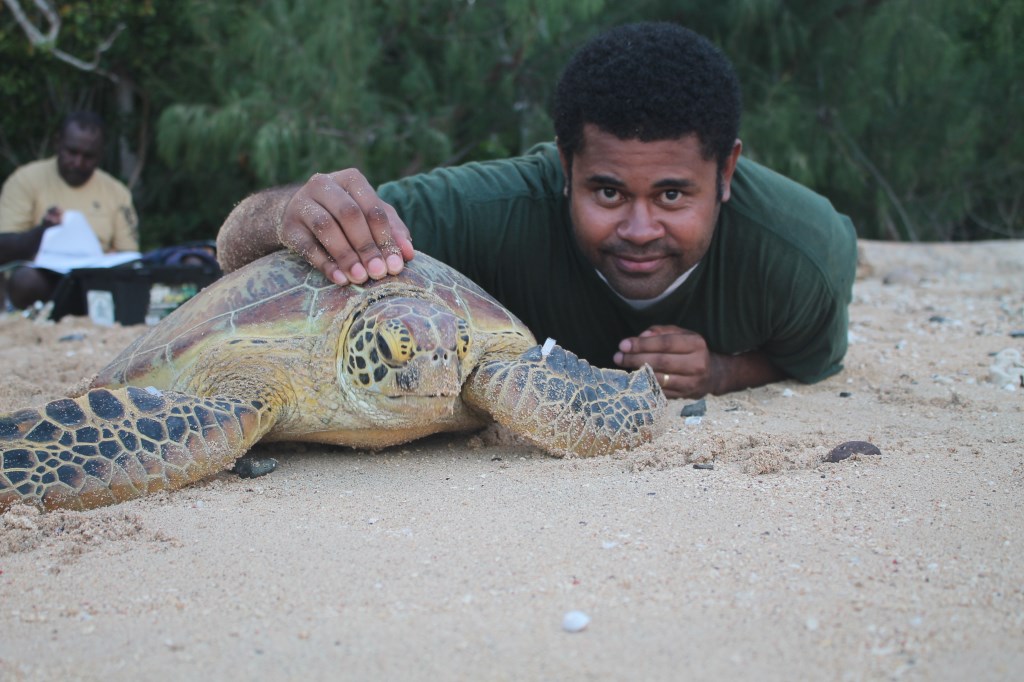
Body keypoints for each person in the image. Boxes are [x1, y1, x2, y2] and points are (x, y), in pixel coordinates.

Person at [216, 22, 857, 400]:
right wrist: (287, 215)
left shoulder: (804, 252)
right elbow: (237, 251)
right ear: (563, 166)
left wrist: (721, 370)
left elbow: (808, 361)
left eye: (671, 195)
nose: (639, 231)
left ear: (727, 172)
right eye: (606, 192)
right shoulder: (488, 209)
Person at [0, 111, 139, 309]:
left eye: (88, 156)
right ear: (57, 143)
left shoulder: (117, 192)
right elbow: (4, 249)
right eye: (72, 152)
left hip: (96, 281)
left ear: (101, 154)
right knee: (25, 280)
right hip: (45, 280)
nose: (78, 163)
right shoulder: (24, 180)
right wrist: (44, 230)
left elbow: (129, 255)